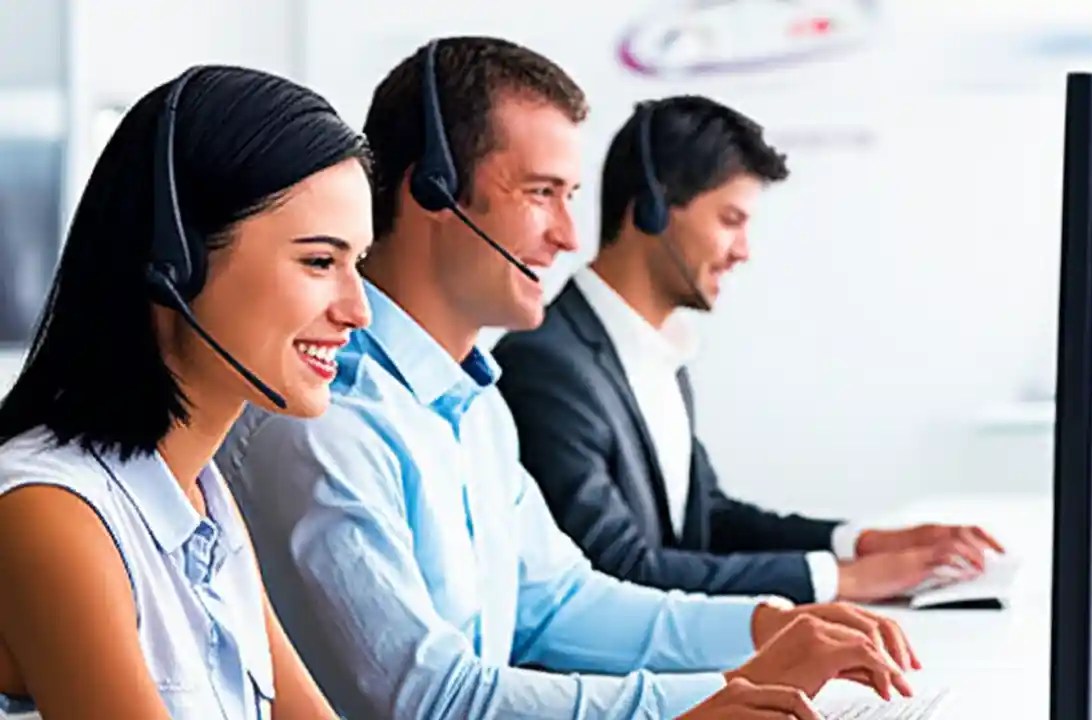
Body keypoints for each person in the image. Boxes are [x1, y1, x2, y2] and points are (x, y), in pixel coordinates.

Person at [216, 36, 916, 720]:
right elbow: (432, 700)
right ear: (434, 190)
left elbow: (558, 602)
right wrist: (724, 696)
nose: (570, 236)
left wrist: (769, 626)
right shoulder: (326, 415)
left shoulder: (474, 404)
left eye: (569, 195)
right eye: (542, 193)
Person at [492, 96, 1006, 606]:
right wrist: (844, 580)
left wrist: (864, 543)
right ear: (651, 210)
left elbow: (708, 520)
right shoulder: (547, 366)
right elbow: (618, 570)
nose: (743, 250)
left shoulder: (656, 354)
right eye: (731, 220)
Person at [0, 66, 372, 718]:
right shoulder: (49, 513)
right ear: (176, 264)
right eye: (320, 262)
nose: (358, 310)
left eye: (357, 264)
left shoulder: (201, 496)